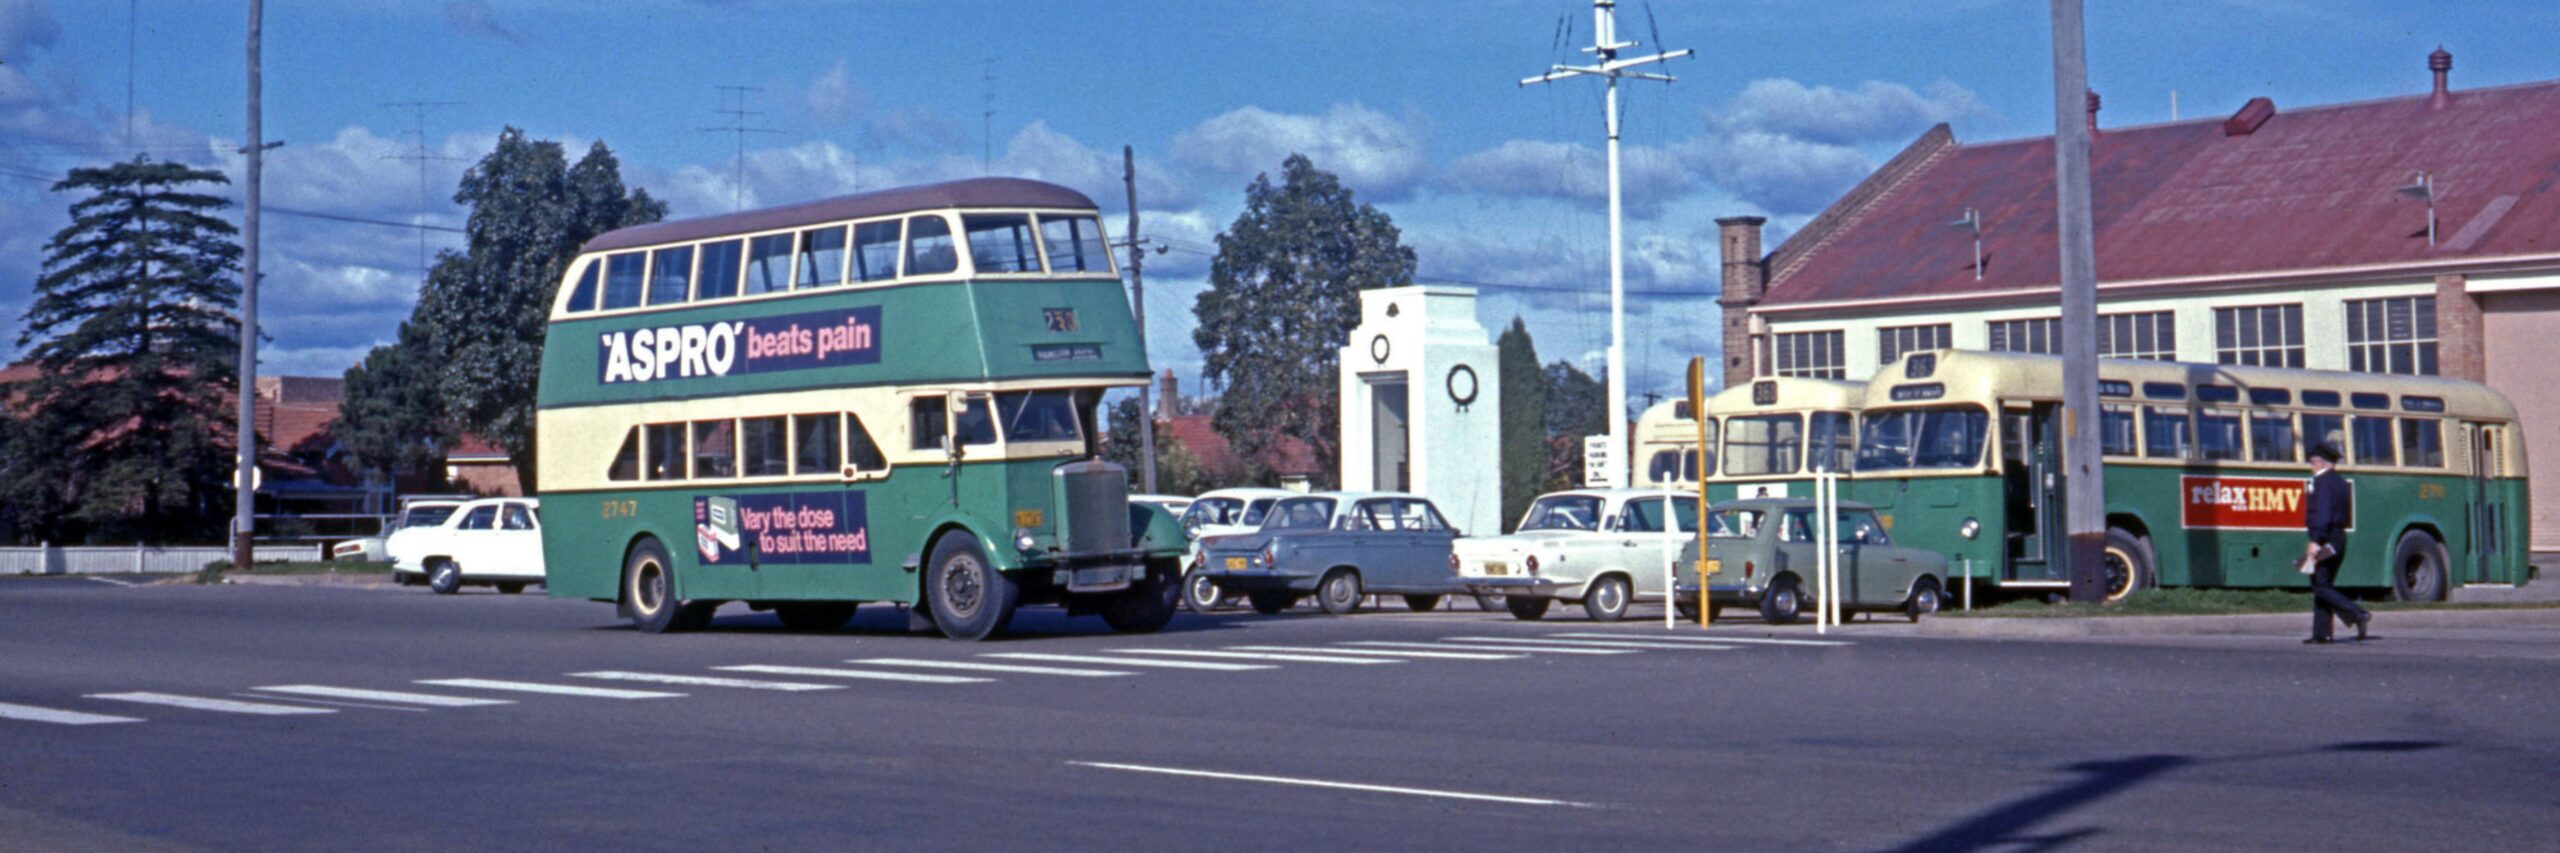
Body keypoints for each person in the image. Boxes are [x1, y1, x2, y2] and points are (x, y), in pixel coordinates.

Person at [2303, 443, 2369, 644]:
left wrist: (2315, 541)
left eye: (2313, 462)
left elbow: (2323, 514)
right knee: (2322, 584)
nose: (2311, 466)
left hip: (2326, 538)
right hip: (2338, 537)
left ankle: (2357, 613)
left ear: (2321, 462)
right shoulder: (2339, 482)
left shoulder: (2322, 483)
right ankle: (2321, 634)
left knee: (2321, 585)